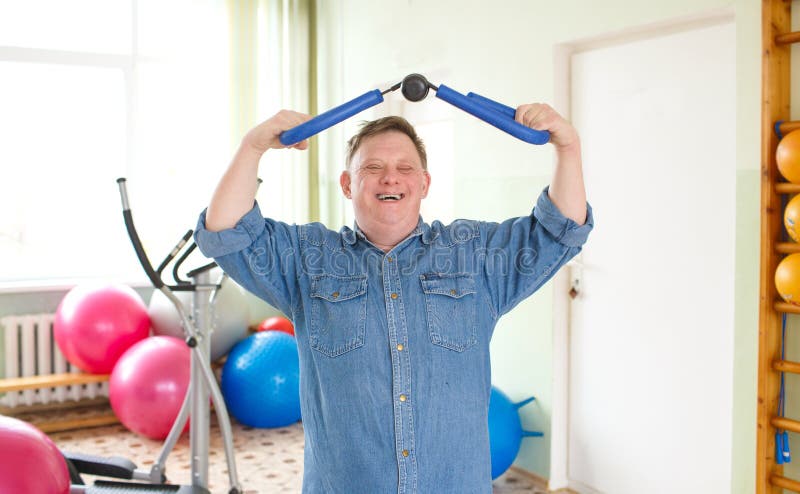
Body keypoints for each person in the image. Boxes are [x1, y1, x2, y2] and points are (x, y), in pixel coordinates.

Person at [195, 103, 593, 494]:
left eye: (405, 169)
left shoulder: (473, 255)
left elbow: (560, 230)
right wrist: (253, 146)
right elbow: (225, 231)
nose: (390, 179)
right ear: (348, 185)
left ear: (424, 184)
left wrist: (568, 145)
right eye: (373, 168)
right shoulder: (307, 259)